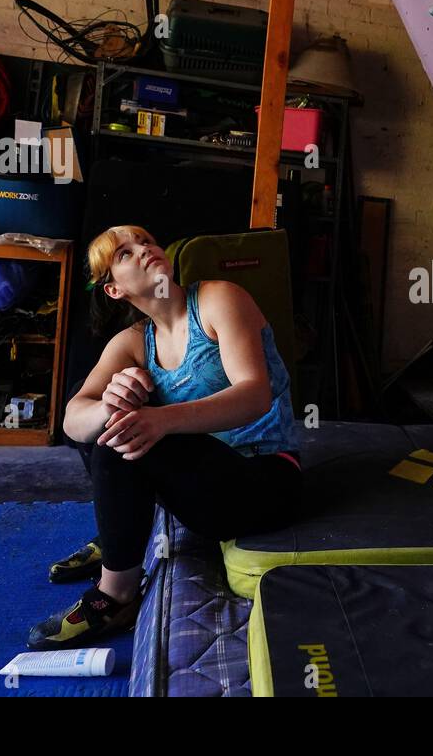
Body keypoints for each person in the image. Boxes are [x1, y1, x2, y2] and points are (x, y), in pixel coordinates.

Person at [28, 225, 301, 650]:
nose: (143, 250)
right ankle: (120, 533)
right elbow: (71, 421)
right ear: (114, 289)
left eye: (146, 241)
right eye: (124, 254)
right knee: (107, 423)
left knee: (129, 432)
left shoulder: (217, 299)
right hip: (198, 489)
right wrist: (108, 404)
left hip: (263, 480)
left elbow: (254, 394)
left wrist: (160, 419)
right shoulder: (133, 341)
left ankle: (116, 596)